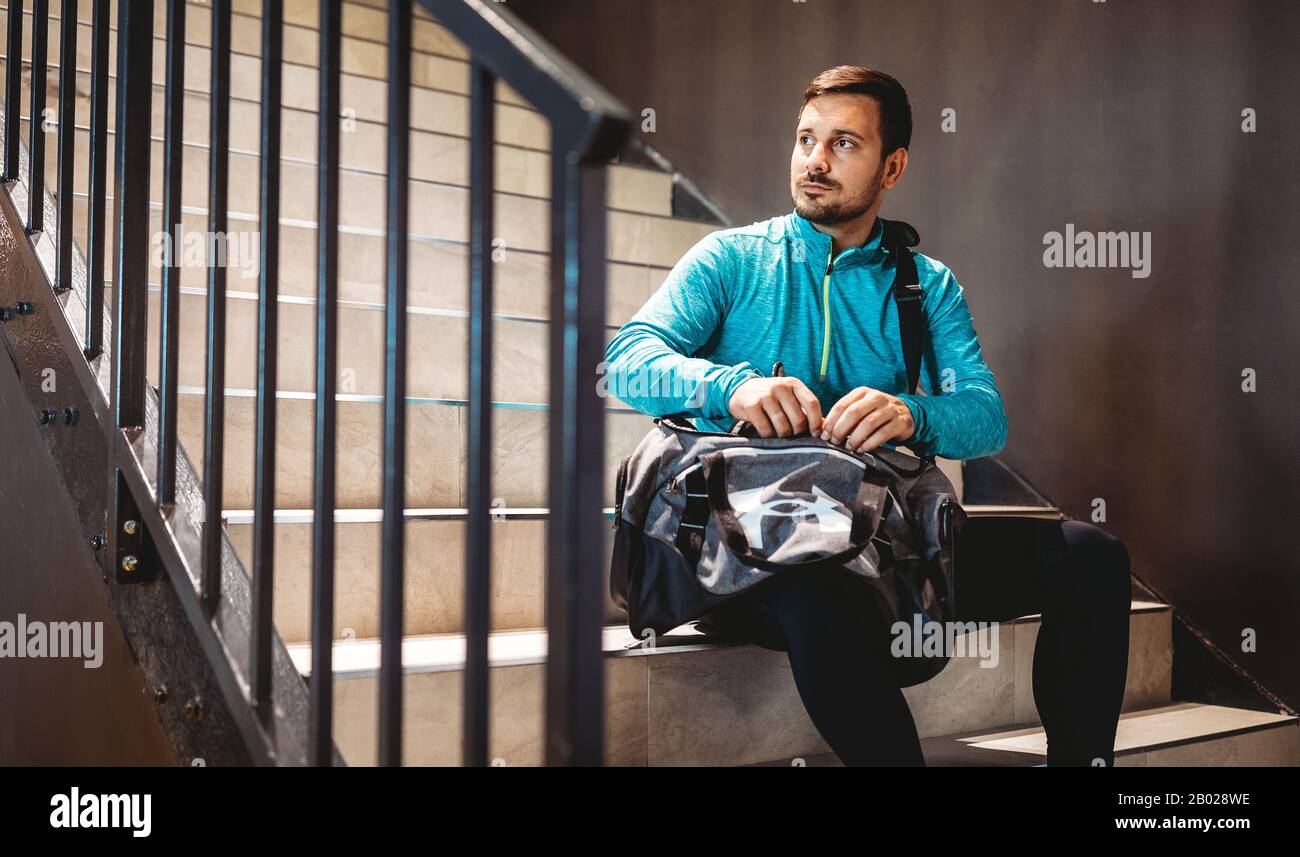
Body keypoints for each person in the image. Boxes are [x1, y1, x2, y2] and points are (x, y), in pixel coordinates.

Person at [603, 65, 1130, 766]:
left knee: (1091, 556)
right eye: (805, 140)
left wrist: (911, 412)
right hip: (752, 554)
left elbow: (985, 416)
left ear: (893, 166)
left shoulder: (926, 285)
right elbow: (627, 360)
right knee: (821, 587)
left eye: (843, 144)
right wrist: (730, 388)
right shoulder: (731, 259)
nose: (815, 162)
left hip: (881, 539)